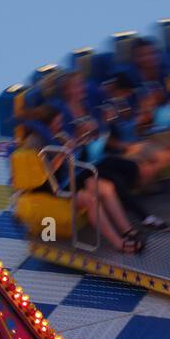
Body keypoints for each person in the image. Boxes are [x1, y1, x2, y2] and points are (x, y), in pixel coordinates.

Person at [19, 104, 145, 252]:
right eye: (57, 122)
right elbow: (44, 174)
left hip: (69, 178)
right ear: (49, 122)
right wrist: (64, 153)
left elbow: (68, 160)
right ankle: (119, 244)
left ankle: (127, 230)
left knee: (106, 187)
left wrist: (77, 143)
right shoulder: (35, 142)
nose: (60, 125)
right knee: (91, 200)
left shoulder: (54, 136)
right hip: (52, 188)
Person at [57, 71, 169, 231]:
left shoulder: (86, 106)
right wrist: (79, 136)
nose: (81, 88)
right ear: (67, 90)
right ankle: (146, 217)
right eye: (76, 86)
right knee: (114, 181)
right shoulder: (63, 114)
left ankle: (126, 204)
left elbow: (98, 133)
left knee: (132, 168)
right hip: (80, 166)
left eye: (81, 85)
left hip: (97, 156)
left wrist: (102, 123)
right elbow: (66, 146)